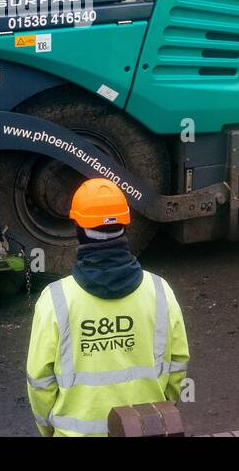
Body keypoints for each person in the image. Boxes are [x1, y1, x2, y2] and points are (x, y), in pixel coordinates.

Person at [25, 178, 190, 436]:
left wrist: (50, 430)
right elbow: (178, 364)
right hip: (148, 431)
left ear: (78, 228)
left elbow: (40, 383)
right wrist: (160, 412)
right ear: (125, 225)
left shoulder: (55, 299)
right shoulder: (160, 291)